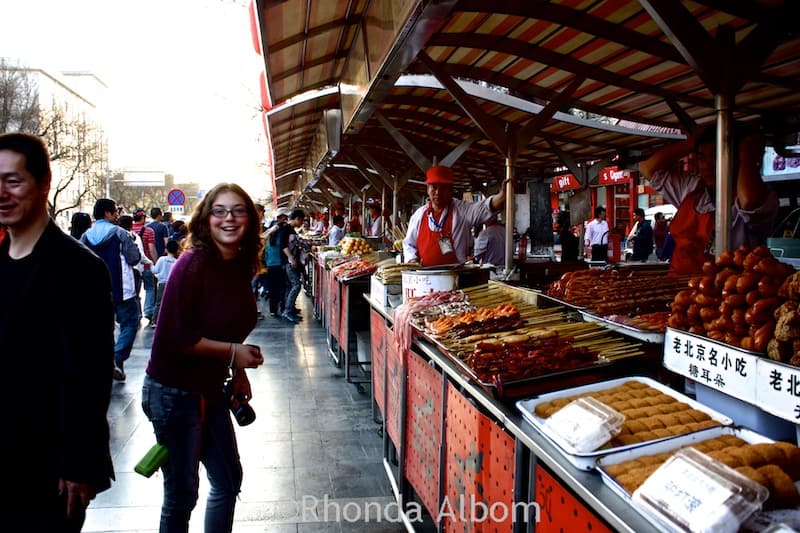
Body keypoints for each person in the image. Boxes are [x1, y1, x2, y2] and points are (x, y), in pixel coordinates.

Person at [0, 132, 115, 531]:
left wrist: (79, 463)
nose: (2, 193)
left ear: (44, 183)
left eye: (13, 181)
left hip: (50, 468)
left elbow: (88, 374)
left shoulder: (77, 268)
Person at [141, 182, 265, 533]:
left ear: (251, 219)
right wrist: (232, 353)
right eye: (220, 211)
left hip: (211, 389)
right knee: (182, 495)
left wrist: (237, 371)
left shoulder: (240, 265)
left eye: (239, 210)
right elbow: (173, 339)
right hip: (173, 392)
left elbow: (232, 327)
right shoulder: (191, 265)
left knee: (228, 478)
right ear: (206, 219)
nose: (229, 218)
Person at [639, 129, 777, 275]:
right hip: (679, 287)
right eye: (701, 158)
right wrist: (690, 143)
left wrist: (746, 154)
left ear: (737, 158)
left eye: (716, 157)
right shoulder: (691, 188)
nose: (708, 166)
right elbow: (647, 168)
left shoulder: (759, 196)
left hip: (728, 291)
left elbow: (750, 202)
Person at [82, 198, 142, 381]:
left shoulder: (86, 236)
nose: (118, 214)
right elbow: (133, 258)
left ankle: (108, 363)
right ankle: (117, 357)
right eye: (115, 211)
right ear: (107, 213)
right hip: (122, 289)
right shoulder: (121, 234)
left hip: (95, 291)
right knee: (131, 323)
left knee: (102, 328)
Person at [402, 165, 507, 266]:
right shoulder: (419, 215)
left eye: (443, 188)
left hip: (455, 277)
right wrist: (412, 260)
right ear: (427, 188)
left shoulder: (462, 210)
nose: (438, 192)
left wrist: (503, 195)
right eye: (434, 187)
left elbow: (485, 207)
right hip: (425, 279)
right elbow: (409, 244)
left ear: (451, 189)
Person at [280, 208, 306, 323]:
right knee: (296, 285)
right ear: (297, 218)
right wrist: (291, 258)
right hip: (288, 262)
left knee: (291, 285)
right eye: (302, 220)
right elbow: (283, 246)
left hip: (292, 261)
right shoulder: (286, 229)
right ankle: (287, 311)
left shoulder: (291, 229)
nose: (302, 223)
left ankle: (290, 308)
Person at [133, 208, 158, 323]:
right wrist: (155, 262)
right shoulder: (149, 231)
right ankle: (148, 311)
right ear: (143, 218)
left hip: (134, 266)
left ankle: (137, 313)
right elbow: (151, 248)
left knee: (135, 291)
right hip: (147, 265)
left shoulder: (128, 230)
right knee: (150, 288)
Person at [265, 208, 289, 317]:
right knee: (282, 287)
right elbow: (284, 248)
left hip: (270, 264)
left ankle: (273, 310)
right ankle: (283, 308)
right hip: (280, 264)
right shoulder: (282, 232)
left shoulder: (269, 235)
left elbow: (265, 251)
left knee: (272, 288)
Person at [151, 238, 181, 327]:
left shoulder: (162, 259)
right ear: (177, 250)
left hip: (162, 283)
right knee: (171, 302)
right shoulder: (177, 262)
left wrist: (150, 264)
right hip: (172, 284)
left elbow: (155, 270)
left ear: (166, 249)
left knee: (159, 303)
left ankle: (155, 321)